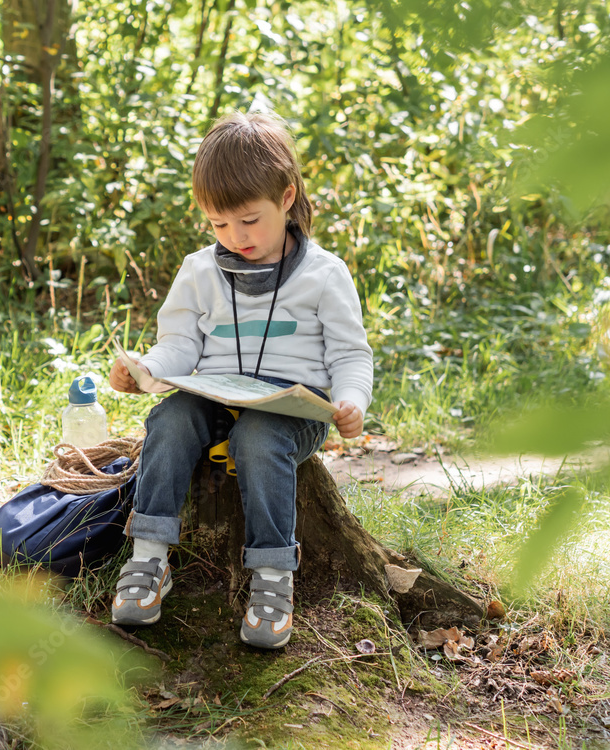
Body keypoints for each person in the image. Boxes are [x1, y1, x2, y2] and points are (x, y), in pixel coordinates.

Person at [108, 112, 373, 649]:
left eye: (250, 220)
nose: (236, 236)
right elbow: (180, 343)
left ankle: (273, 579)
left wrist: (349, 400)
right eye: (219, 225)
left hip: (291, 408)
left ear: (288, 197)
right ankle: (149, 560)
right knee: (171, 418)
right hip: (216, 393)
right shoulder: (200, 271)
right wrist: (150, 370)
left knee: (259, 436)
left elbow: (349, 353)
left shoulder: (324, 273)